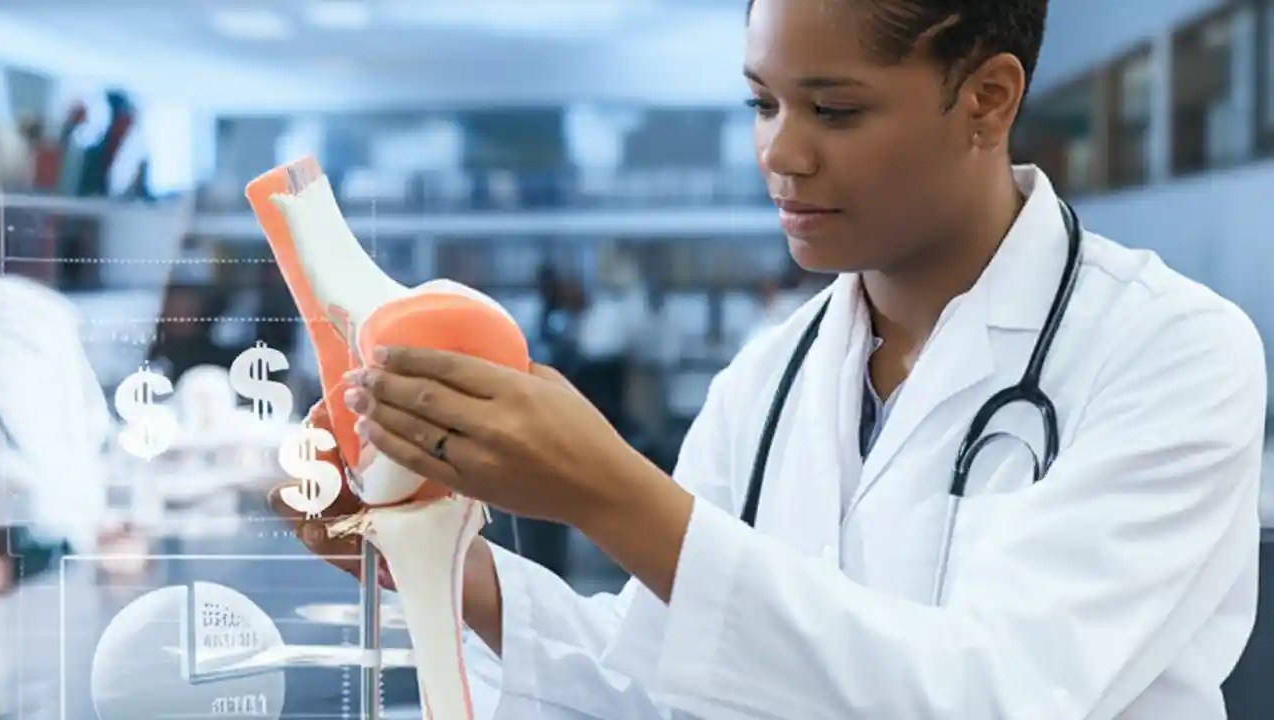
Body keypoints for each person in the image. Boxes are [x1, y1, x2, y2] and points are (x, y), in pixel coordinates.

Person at [275, 1, 1267, 717]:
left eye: (831, 110)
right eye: (761, 103)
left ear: (985, 98)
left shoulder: (1170, 352)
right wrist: (447, 570)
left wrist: (608, 493)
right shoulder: (769, 374)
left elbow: (993, 695)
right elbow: (662, 676)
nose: (779, 154)